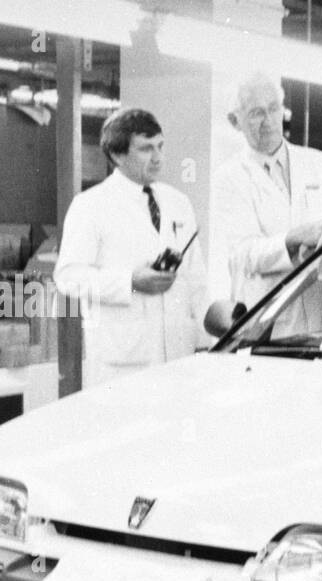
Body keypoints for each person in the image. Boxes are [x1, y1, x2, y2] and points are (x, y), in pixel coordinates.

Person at [54, 108, 209, 388]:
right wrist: (130, 281)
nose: (158, 157)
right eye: (146, 149)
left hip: (179, 357)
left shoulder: (178, 203)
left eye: (160, 146)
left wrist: (202, 340)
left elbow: (196, 279)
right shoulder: (91, 205)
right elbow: (68, 278)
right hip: (125, 363)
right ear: (117, 155)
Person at [213, 72, 322, 308]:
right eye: (256, 113)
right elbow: (242, 255)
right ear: (235, 122)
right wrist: (292, 239)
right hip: (270, 313)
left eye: (274, 108)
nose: (269, 120)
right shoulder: (229, 178)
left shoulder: (317, 163)